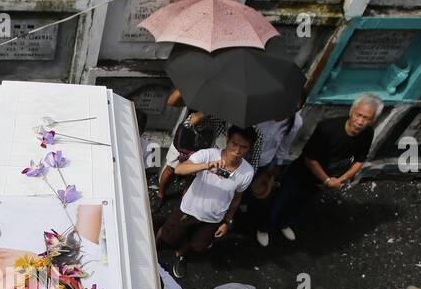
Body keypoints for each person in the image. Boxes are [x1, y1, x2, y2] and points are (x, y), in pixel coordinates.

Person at [257, 94, 381, 247]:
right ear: (352, 111)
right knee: (281, 199)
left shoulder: (368, 133)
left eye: (366, 118)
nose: (360, 121)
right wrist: (328, 181)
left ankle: (284, 223)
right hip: (302, 175)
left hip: (326, 181)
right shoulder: (328, 128)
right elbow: (310, 159)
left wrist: (339, 180)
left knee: (301, 204)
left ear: (373, 120)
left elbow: (360, 160)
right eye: (359, 115)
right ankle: (264, 227)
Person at [155, 125, 255, 279]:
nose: (237, 150)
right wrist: (205, 166)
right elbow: (179, 169)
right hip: (189, 209)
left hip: (213, 218)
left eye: (243, 147)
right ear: (227, 140)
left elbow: (236, 198)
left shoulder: (247, 172)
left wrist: (226, 221)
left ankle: (181, 255)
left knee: (196, 241)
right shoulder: (208, 155)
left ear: (249, 148)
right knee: (168, 232)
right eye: (235, 144)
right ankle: (154, 245)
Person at [248, 111, 305, 201]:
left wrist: (277, 166)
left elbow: (284, 147)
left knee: (249, 189)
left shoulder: (296, 122)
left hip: (261, 163)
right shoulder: (261, 110)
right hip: (243, 156)